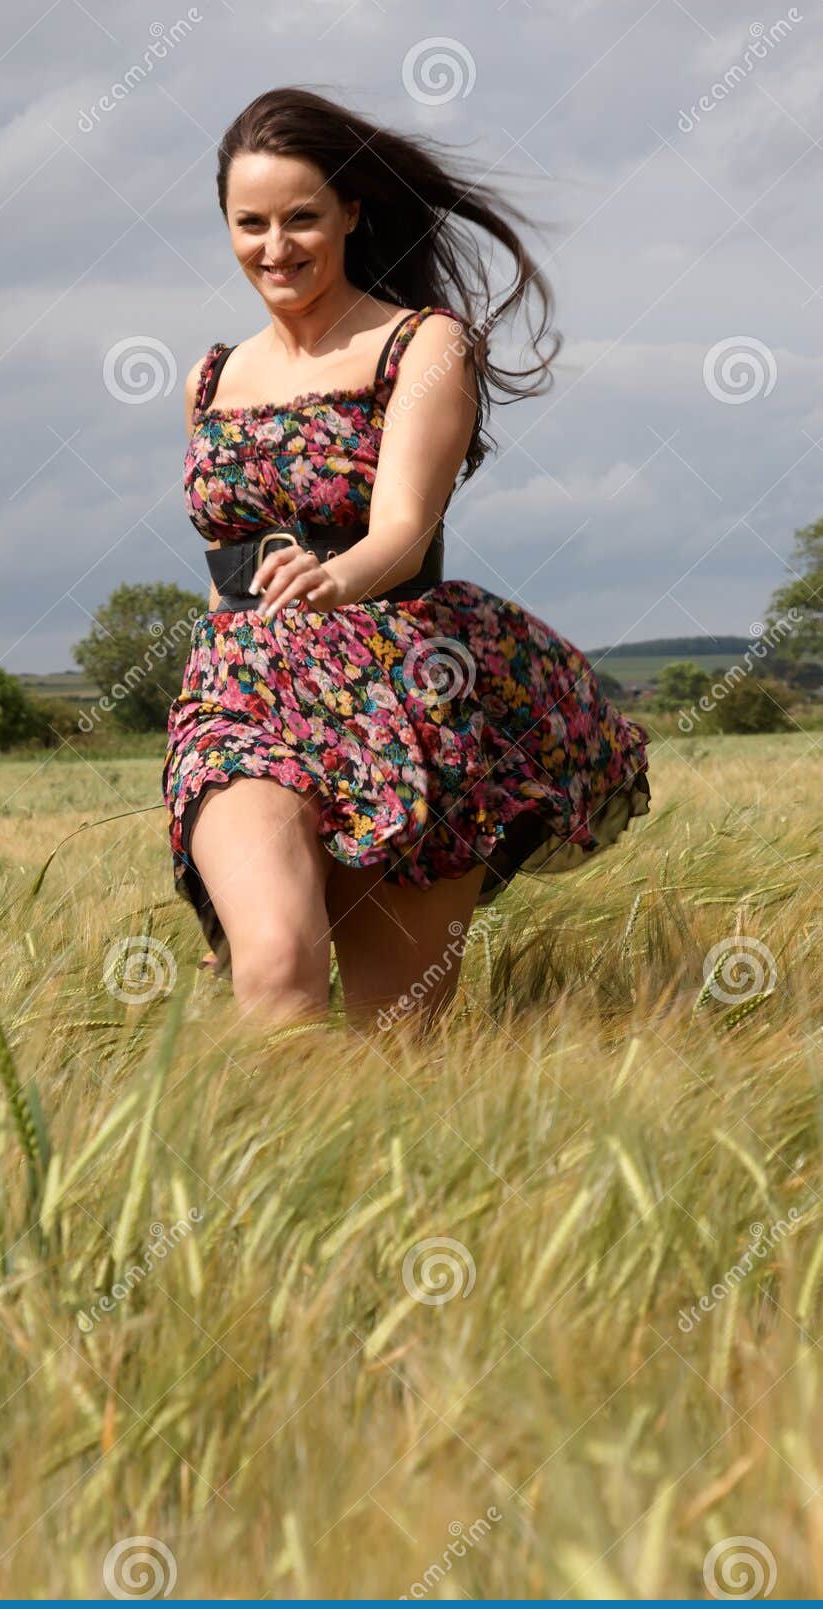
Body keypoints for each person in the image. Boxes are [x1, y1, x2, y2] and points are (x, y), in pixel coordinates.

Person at [162, 87, 650, 1033]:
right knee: (273, 966)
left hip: (401, 692)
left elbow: (402, 530)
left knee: (394, 1039)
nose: (276, 247)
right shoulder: (209, 377)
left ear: (351, 212)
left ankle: (360, 1175)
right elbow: (222, 550)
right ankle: (260, 1177)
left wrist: (333, 581)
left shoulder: (419, 346)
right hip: (243, 694)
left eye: (301, 218)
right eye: (249, 222)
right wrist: (249, 641)